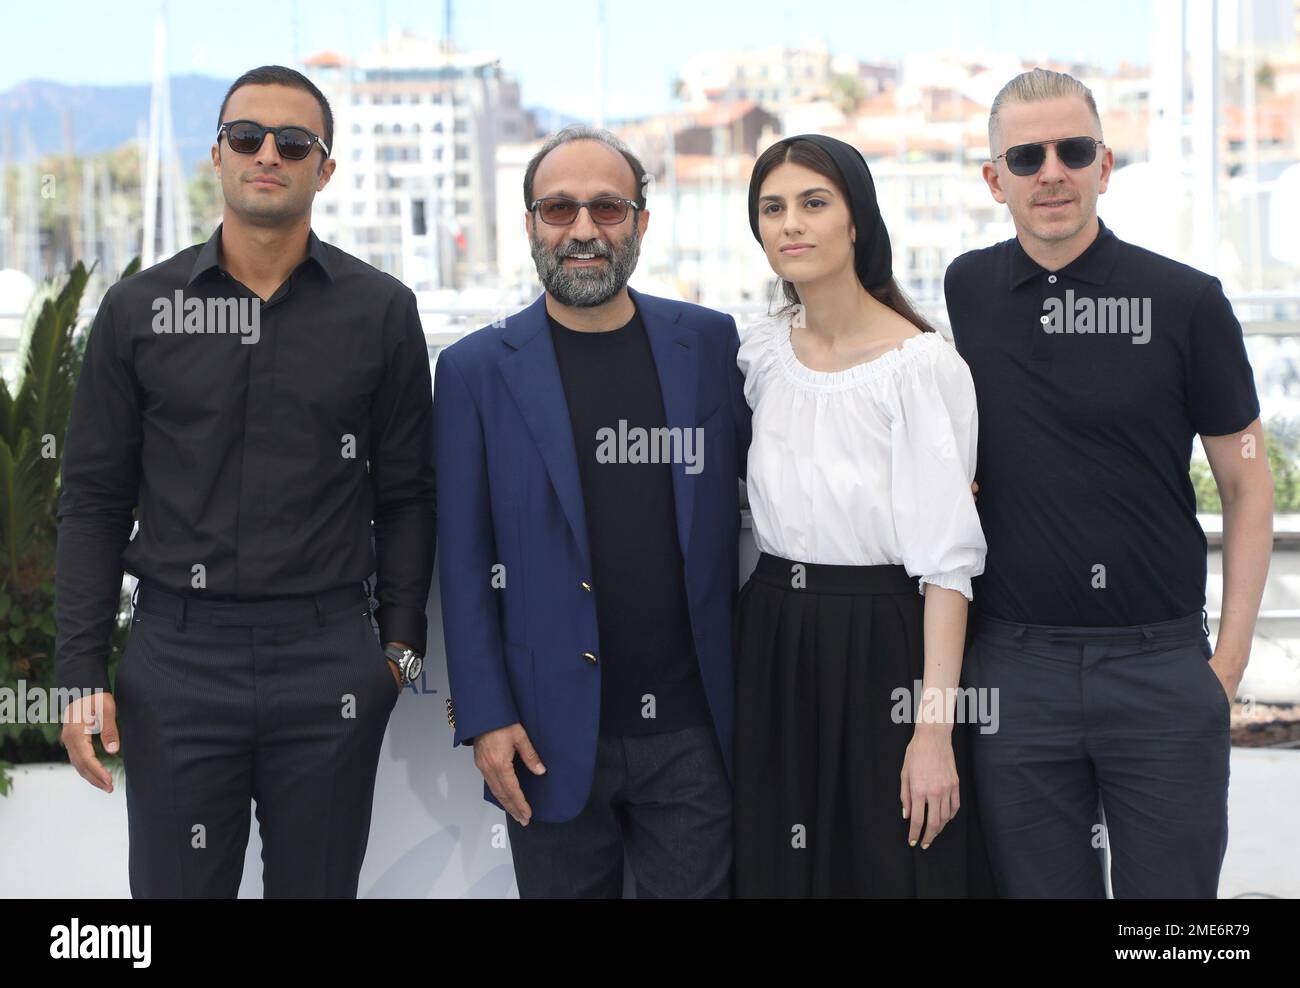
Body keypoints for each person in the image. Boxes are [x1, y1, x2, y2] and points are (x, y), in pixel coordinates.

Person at [56, 65, 435, 898]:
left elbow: (408, 493)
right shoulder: (137, 311)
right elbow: (90, 502)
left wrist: (397, 653)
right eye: (247, 137)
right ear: (217, 156)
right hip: (178, 661)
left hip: (329, 660)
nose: (270, 153)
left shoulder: (381, 311)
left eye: (295, 142)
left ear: (324, 169)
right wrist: (80, 673)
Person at [945, 68, 1273, 898]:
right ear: (995, 180)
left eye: (1072, 150)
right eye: (1026, 156)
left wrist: (1225, 665)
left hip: (1161, 665)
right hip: (1014, 669)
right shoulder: (968, 290)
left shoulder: (1187, 300)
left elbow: (1246, 484)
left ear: (1104, 164)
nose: (1050, 171)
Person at [434, 127, 751, 898]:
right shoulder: (475, 369)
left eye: (607, 208)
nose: (582, 229)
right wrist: (485, 716)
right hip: (544, 736)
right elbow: (464, 561)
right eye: (559, 209)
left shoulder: (708, 344)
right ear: (531, 225)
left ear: (641, 221)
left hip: (696, 732)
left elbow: (780, 464)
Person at [734, 133, 996, 897]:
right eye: (772, 208)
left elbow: (948, 567)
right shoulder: (758, 355)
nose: (792, 224)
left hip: (886, 645)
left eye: (815, 204)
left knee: (889, 866)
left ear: (857, 222)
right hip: (772, 640)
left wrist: (933, 731)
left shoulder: (922, 367)